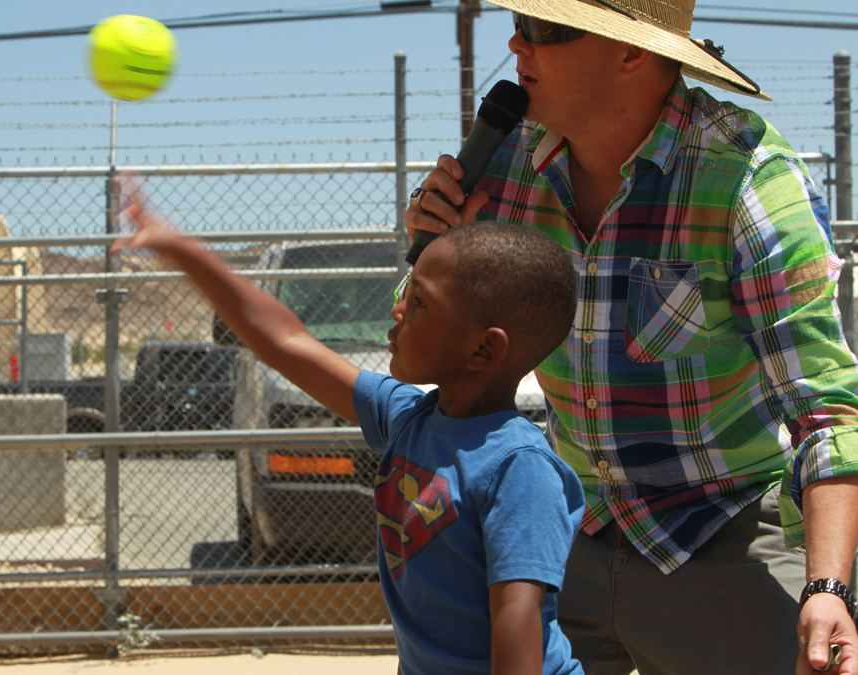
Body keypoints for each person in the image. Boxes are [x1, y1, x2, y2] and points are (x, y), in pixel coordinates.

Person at [405, 1, 858, 673]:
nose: (516, 44)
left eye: (542, 29)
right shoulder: (505, 172)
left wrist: (827, 588)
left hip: (719, 534)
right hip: (569, 529)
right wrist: (437, 259)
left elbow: (826, 410)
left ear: (631, 51)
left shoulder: (745, 177)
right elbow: (427, 355)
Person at [112, 180, 585, 675]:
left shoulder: (520, 470)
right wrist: (182, 248)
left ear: (483, 350)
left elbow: (517, 616)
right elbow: (286, 340)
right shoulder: (408, 417)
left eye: (419, 301)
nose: (397, 310)